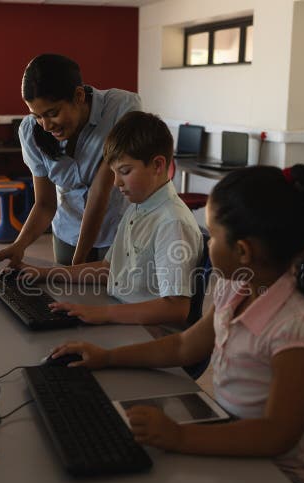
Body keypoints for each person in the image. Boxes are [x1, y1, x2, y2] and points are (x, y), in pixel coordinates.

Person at [49, 165, 304, 483]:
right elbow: (185, 345)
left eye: (213, 235)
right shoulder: (235, 289)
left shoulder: (296, 327)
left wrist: (179, 436)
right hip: (238, 443)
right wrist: (108, 357)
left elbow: (277, 434)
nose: (207, 241)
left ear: (244, 251)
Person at [16, 111, 203, 326]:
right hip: (122, 316)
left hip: (148, 333)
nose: (116, 183)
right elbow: (108, 269)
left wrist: (102, 314)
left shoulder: (172, 223)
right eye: (115, 173)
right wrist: (45, 273)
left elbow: (175, 309)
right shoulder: (138, 208)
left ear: (158, 165)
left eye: (125, 171)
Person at [0, 54, 141, 269]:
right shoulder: (31, 131)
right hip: (68, 231)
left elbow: (100, 192)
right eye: (37, 115)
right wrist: (19, 245)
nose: (45, 125)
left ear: (78, 96)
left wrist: (76, 267)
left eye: (52, 113)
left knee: (112, 297)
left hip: (117, 230)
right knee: (67, 298)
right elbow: (45, 204)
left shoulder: (121, 108)